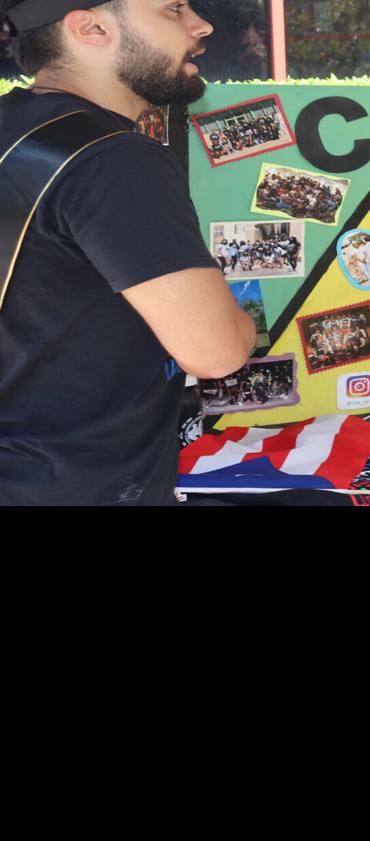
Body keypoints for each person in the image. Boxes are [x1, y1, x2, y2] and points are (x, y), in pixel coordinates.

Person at [1, 0, 255, 505]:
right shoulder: (111, 159)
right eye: (173, 9)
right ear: (90, 27)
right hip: (75, 484)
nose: (200, 25)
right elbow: (216, 351)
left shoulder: (14, 131)